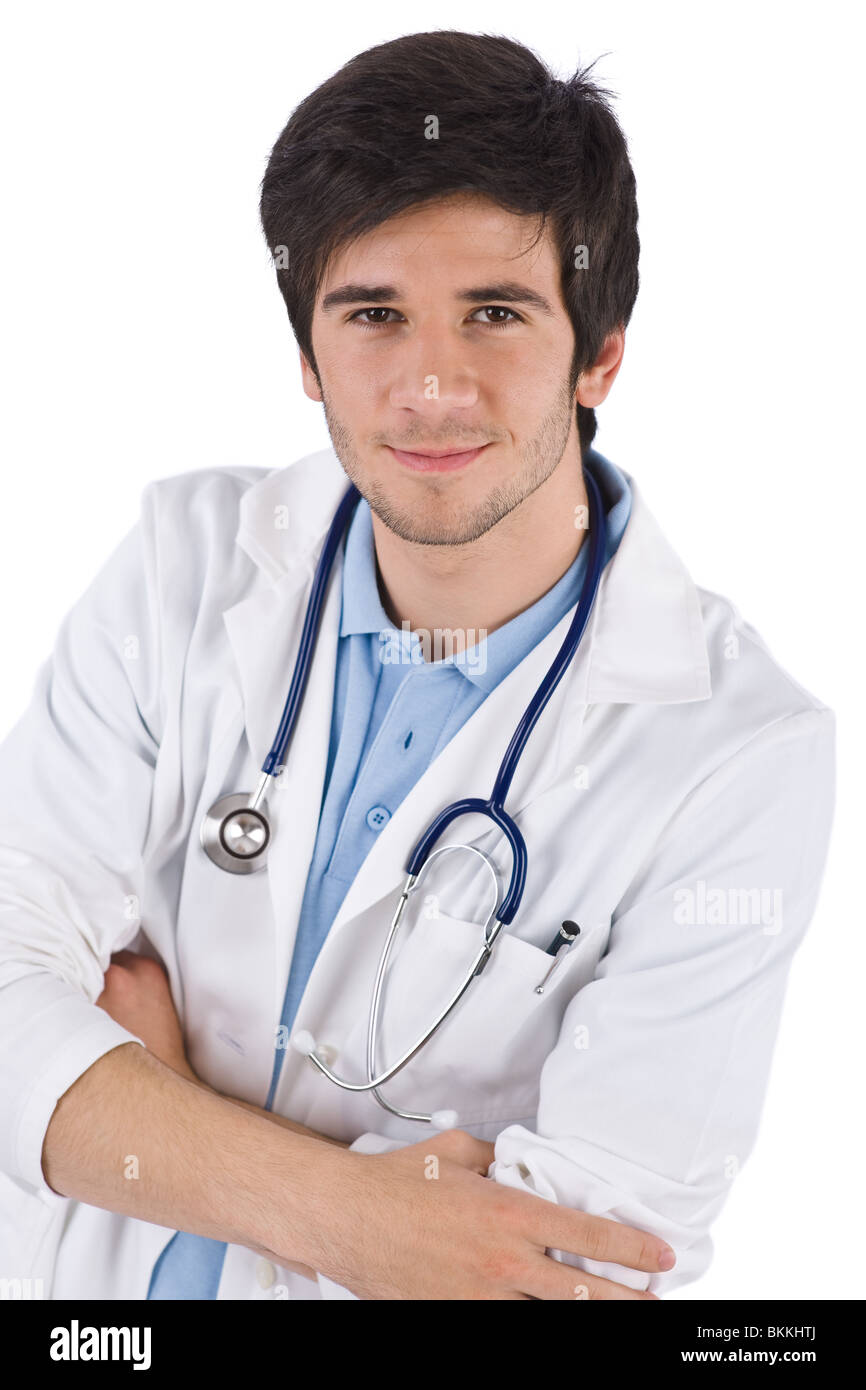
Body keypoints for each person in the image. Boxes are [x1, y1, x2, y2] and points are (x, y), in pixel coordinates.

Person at [0, 30, 835, 1302]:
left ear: (599, 351)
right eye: (373, 315)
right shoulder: (179, 570)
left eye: (493, 315)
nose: (430, 387)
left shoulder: (737, 755)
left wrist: (146, 1116)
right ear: (306, 353)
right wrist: (352, 1215)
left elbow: (558, 1273)